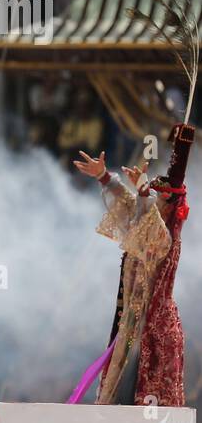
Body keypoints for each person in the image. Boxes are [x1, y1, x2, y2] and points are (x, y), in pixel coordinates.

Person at [71, 123, 192, 406]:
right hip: (132, 322)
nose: (152, 199)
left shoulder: (165, 238)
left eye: (160, 197)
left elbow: (149, 222)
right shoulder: (144, 224)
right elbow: (131, 208)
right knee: (120, 388)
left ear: (170, 205)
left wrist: (143, 195)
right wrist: (104, 177)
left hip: (153, 326)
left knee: (144, 393)